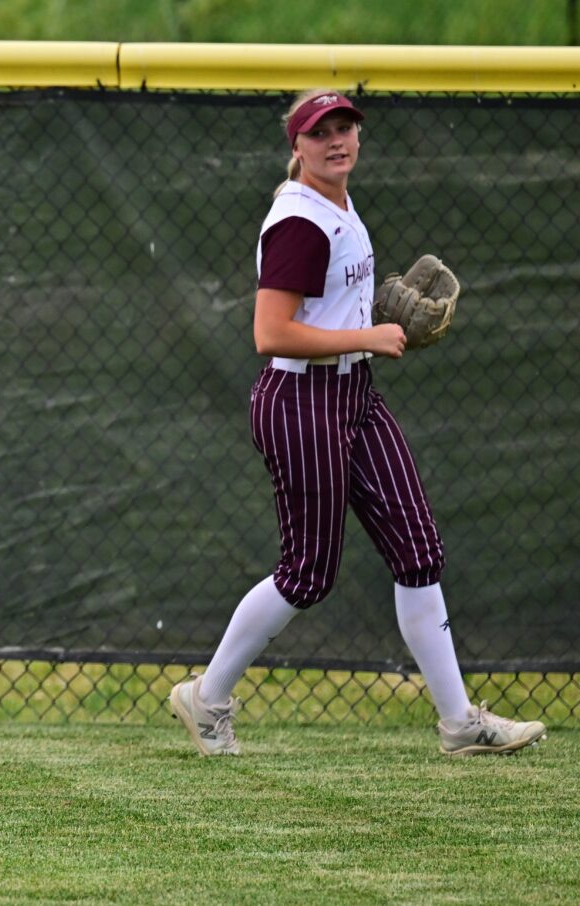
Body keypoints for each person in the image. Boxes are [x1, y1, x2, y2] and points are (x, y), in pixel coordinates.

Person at [169, 89, 546, 758]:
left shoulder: (339, 205)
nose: (338, 140)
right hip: (299, 402)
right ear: (298, 146)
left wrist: (370, 321)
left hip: (353, 396)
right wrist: (369, 335)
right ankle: (208, 698)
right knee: (307, 573)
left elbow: (330, 310)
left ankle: (460, 725)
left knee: (418, 550)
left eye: (346, 127)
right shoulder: (300, 222)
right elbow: (270, 332)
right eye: (322, 132)